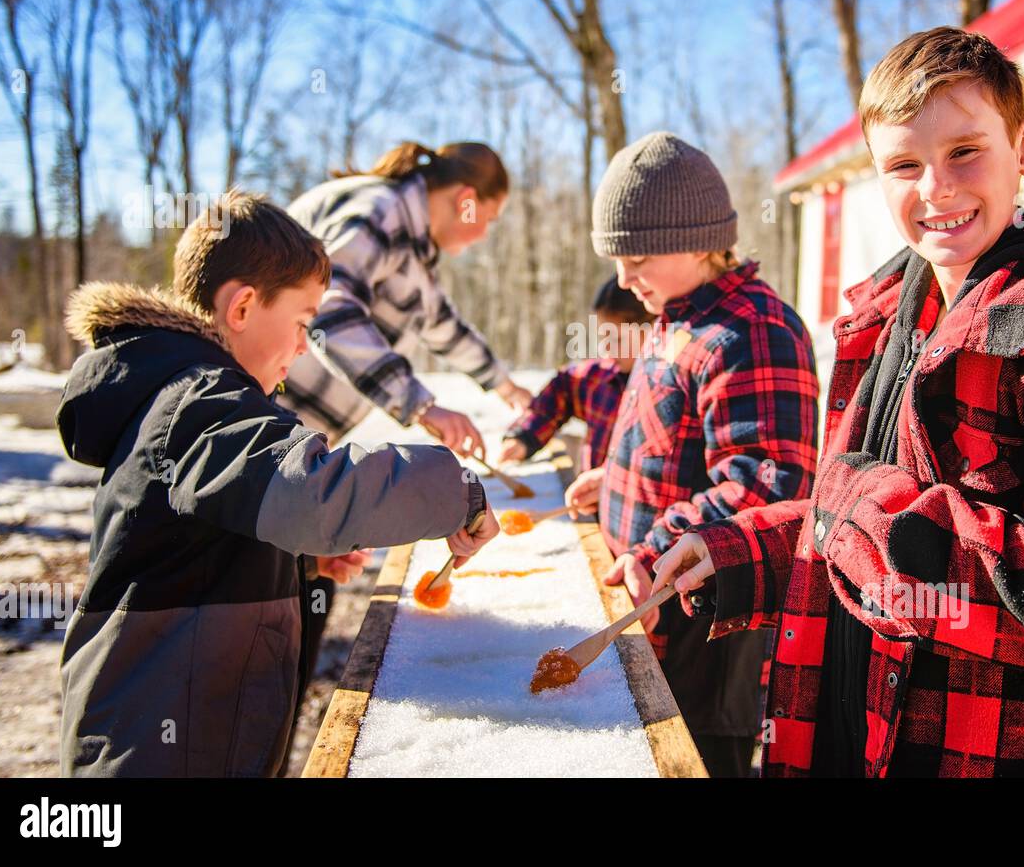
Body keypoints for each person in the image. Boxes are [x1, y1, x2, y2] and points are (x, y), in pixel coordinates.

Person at [654, 26, 1024, 777]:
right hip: (863, 727)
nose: (935, 187)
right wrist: (741, 554)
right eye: (904, 164)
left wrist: (870, 512)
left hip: (992, 748)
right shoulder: (890, 319)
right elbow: (856, 515)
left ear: (1023, 150)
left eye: (964, 150)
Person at [56, 190, 499, 776]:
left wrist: (299, 567)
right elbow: (308, 493)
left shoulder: (194, 397)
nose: (301, 346)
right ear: (241, 308)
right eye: (301, 324)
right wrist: (456, 489)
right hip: (156, 749)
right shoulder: (202, 402)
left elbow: (199, 549)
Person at [567, 131, 820, 777]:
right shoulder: (678, 322)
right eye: (616, 258)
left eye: (637, 255)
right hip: (652, 613)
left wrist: (651, 549)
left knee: (699, 763)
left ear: (701, 236)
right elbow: (679, 443)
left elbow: (762, 488)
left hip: (707, 637)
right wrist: (618, 476)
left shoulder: (752, 331)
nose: (624, 277)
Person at [277, 140, 531, 691]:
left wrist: (504, 385)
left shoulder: (412, 249)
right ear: (466, 199)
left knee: (294, 621)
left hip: (294, 454)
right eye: (488, 218)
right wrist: (421, 403)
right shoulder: (378, 210)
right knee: (270, 636)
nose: (484, 233)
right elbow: (327, 308)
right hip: (265, 438)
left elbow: (446, 328)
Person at [499, 275, 652, 472]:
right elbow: (560, 390)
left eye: (617, 339)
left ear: (651, 331)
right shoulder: (601, 377)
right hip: (586, 499)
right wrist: (525, 437)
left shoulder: (665, 391)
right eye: (603, 337)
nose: (607, 349)